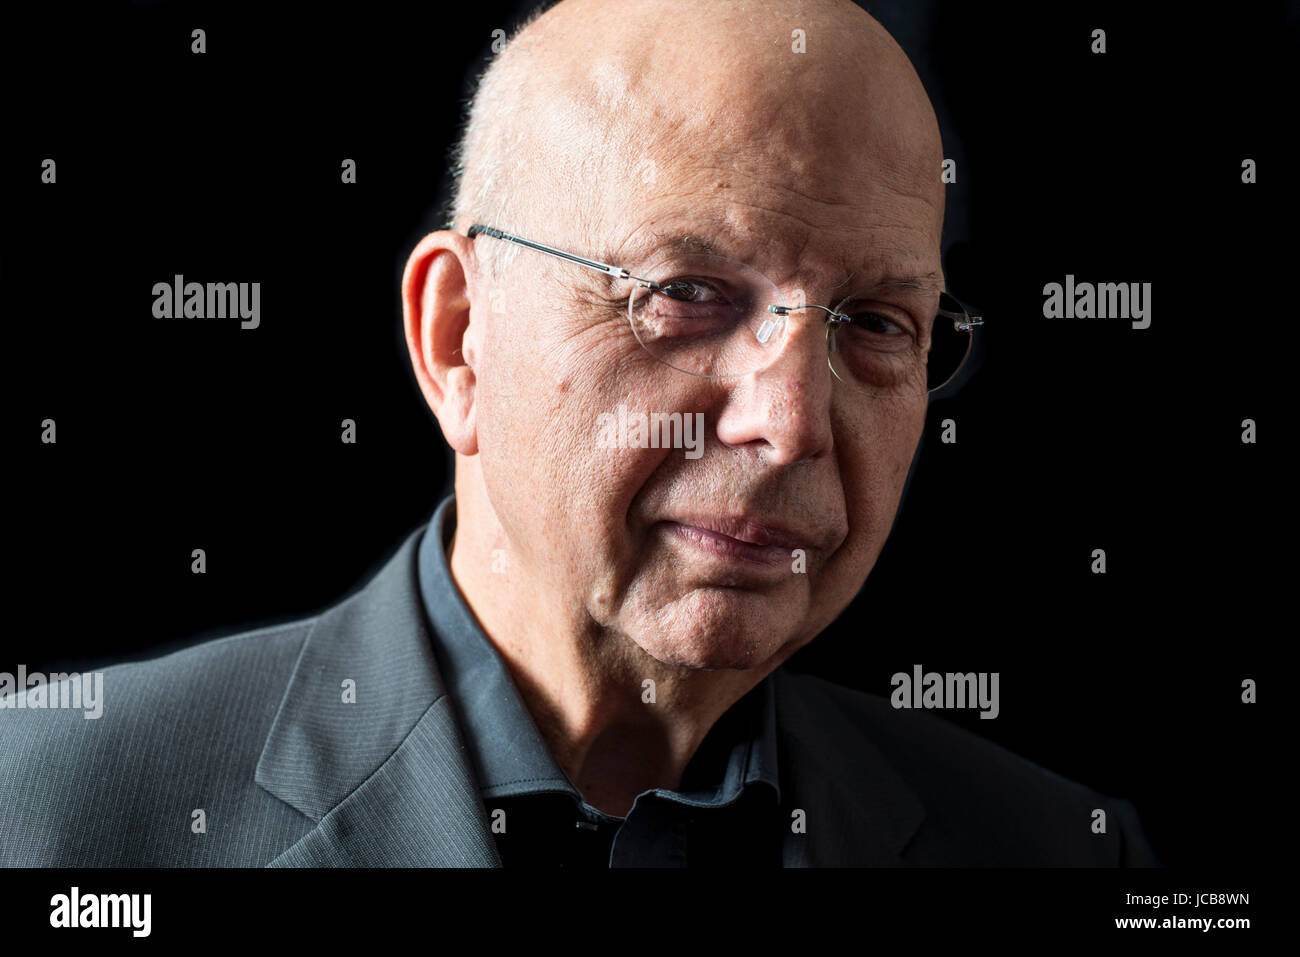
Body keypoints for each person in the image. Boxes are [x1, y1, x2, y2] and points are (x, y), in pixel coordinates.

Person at [0, 0, 1157, 867]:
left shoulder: (1056, 853)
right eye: (687, 293)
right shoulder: (46, 811)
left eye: (875, 324)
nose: (792, 422)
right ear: (458, 338)